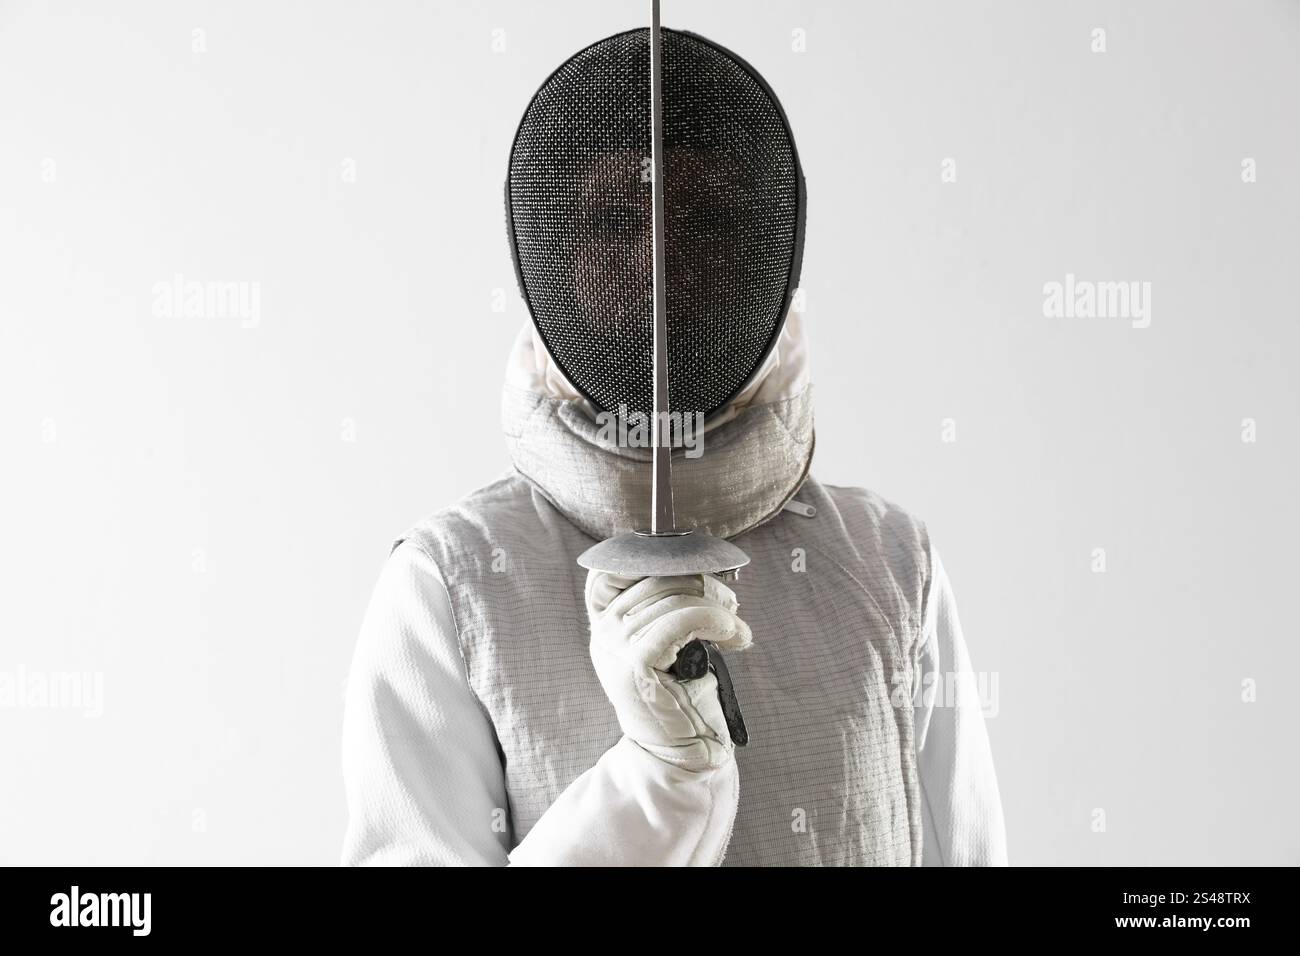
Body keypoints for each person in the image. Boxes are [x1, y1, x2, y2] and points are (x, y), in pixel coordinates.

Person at [340, 25, 1007, 867]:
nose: (658, 257)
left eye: (704, 223)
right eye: (617, 220)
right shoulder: (451, 586)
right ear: (556, 258)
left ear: (767, 253)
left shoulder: (889, 564)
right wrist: (655, 788)